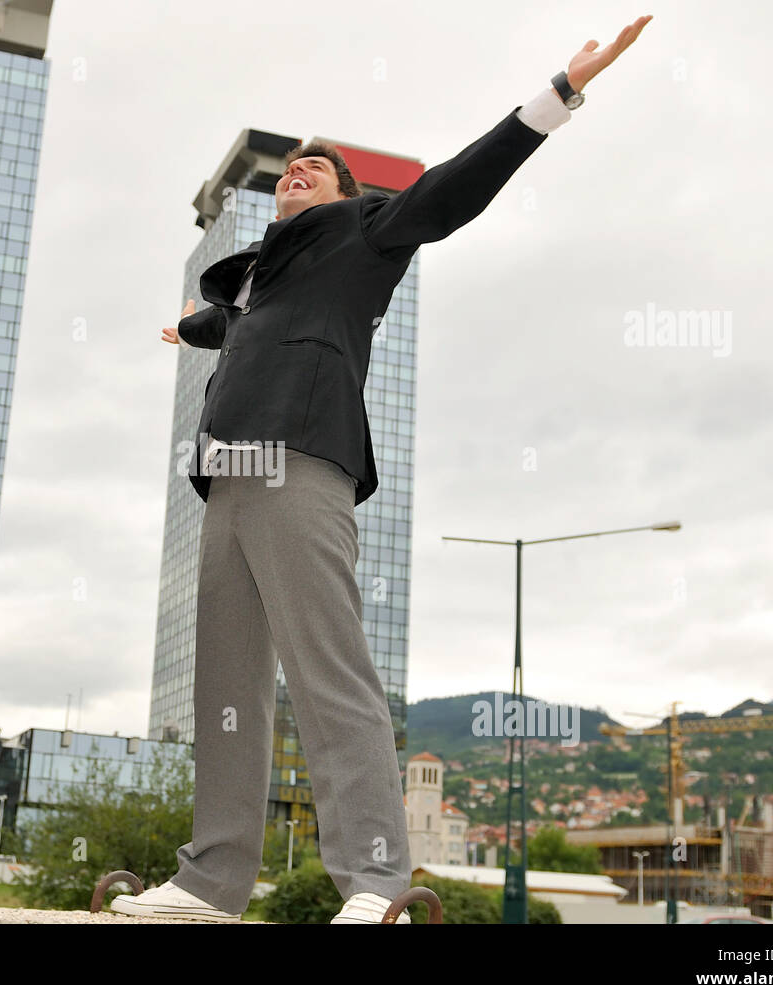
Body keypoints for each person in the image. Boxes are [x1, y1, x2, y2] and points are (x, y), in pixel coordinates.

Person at [113, 16, 653, 923]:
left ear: (345, 194)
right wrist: (190, 326)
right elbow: (232, 321)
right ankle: (209, 883)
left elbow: (449, 192)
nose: (297, 171)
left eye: (315, 168)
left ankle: (373, 881)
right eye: (290, 167)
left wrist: (554, 97)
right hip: (227, 479)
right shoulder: (257, 279)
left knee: (330, 671)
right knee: (227, 686)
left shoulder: (363, 233)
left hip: (302, 461)